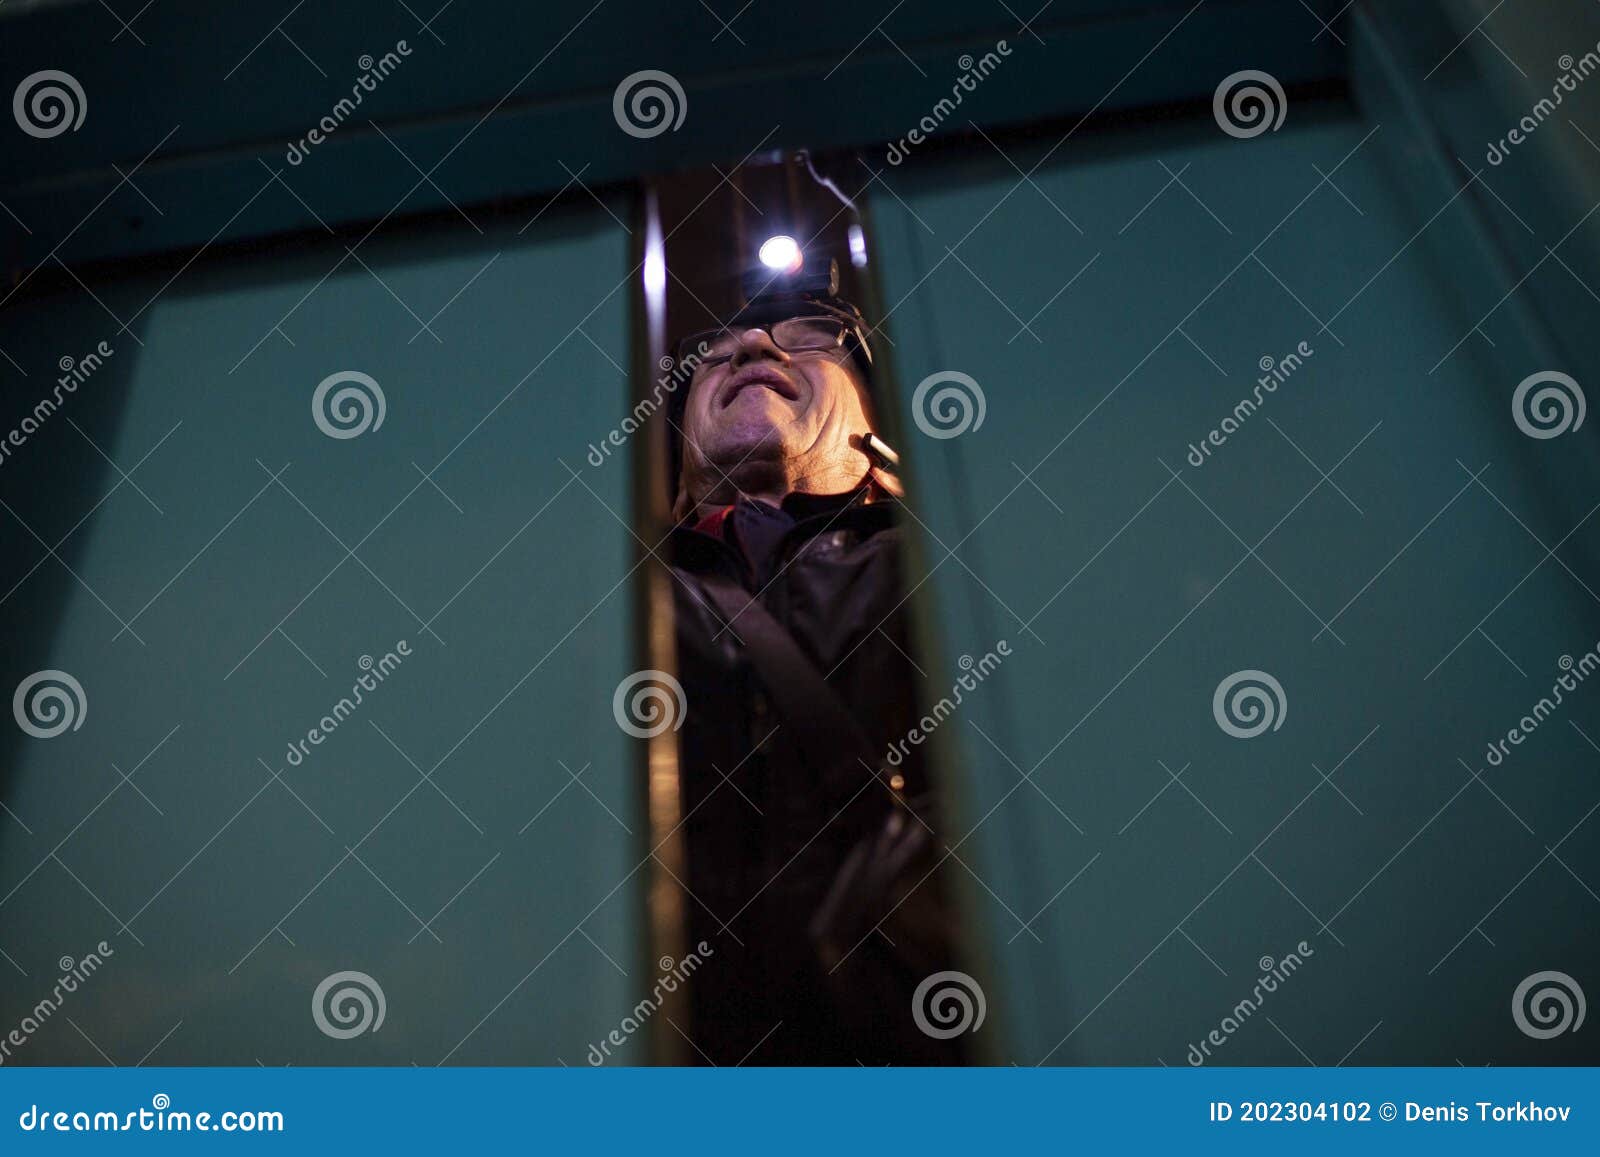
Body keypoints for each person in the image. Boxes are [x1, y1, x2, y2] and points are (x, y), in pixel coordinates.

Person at [663, 260, 966, 1064]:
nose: (754, 344)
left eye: (813, 339)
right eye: (717, 351)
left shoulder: (963, 572)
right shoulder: (609, 602)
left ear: (879, 433)